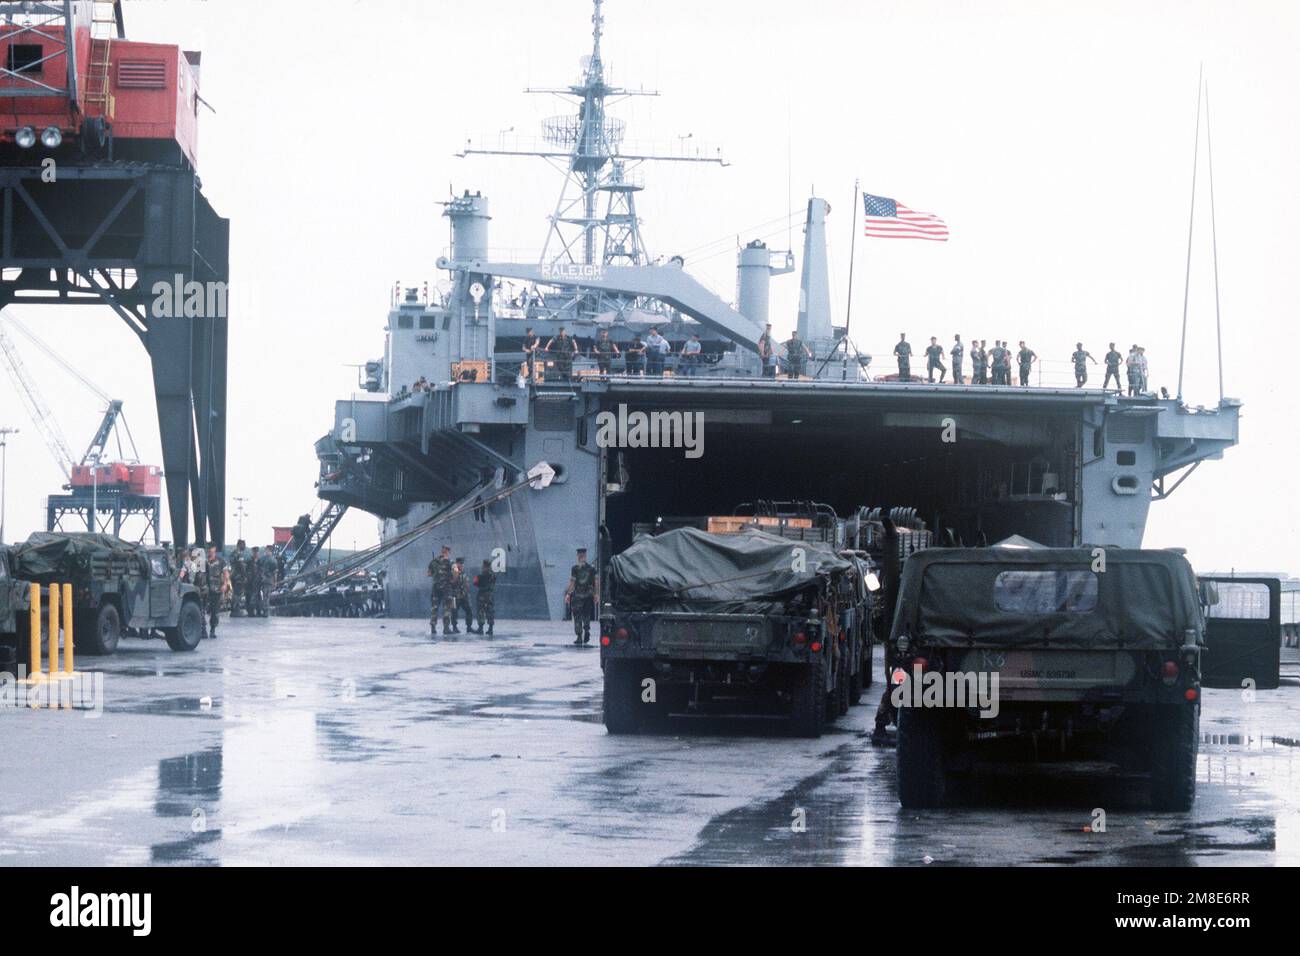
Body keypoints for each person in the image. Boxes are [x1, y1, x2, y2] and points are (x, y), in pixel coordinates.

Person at [565, 547, 598, 645]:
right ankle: (587, 630)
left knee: (577, 616)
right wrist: (596, 594)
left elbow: (572, 582)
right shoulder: (592, 568)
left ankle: (579, 636)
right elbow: (596, 582)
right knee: (586, 614)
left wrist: (568, 594)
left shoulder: (575, 568)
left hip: (578, 596)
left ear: (578, 556)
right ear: (585, 556)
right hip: (588, 595)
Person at [427, 544, 456, 635]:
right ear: (448, 551)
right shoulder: (450, 561)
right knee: (446, 608)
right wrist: (453, 580)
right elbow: (456, 571)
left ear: (442, 551)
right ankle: (446, 629)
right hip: (446, 588)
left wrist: (436, 575)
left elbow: (428, 574)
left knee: (434, 608)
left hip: (436, 588)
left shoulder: (434, 561)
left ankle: (433, 627)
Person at [203, 545, 229, 638]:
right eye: (209, 548)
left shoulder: (221, 561)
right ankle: (203, 630)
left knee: (215, 611)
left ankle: (212, 630)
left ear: (215, 549)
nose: (210, 550)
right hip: (204, 589)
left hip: (216, 589)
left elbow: (226, 573)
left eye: (212, 548)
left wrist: (225, 584)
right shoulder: (203, 561)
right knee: (202, 610)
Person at [474, 559, 496, 636]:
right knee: (490, 611)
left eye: (483, 566)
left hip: (482, 595)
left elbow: (476, 583)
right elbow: (492, 585)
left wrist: (478, 580)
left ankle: (480, 628)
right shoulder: (493, 575)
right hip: (489, 595)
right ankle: (490, 629)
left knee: (481, 611)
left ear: (485, 566)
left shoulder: (481, 576)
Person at [256, 546, 278, 617]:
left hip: (260, 579)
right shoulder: (273, 560)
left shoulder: (261, 559)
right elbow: (275, 573)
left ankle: (258, 610)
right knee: (266, 596)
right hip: (268, 581)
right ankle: (265, 612)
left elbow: (257, 568)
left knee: (258, 595)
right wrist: (275, 582)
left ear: (266, 550)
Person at [229, 539, 248, 617]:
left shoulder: (233, 553)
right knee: (238, 594)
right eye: (244, 545)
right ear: (240, 545)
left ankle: (233, 609)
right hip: (239, 577)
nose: (245, 546)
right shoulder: (239, 554)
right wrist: (245, 576)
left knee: (234, 593)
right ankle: (236, 610)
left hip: (233, 576)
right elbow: (242, 566)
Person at [454, 557, 474, 632]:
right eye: (460, 563)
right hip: (456, 595)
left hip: (464, 596)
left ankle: (469, 627)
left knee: (469, 610)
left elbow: (466, 583)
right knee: (454, 611)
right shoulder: (453, 572)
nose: (462, 565)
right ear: (457, 564)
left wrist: (467, 591)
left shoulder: (464, 573)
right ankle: (454, 627)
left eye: (462, 564)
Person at [246, 546, 263, 617]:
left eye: (256, 552)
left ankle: (259, 611)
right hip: (250, 581)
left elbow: (262, 570)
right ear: (252, 552)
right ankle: (251, 612)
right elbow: (245, 570)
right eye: (254, 552)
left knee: (258, 596)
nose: (255, 553)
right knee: (250, 596)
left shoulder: (260, 561)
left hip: (258, 581)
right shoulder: (249, 560)